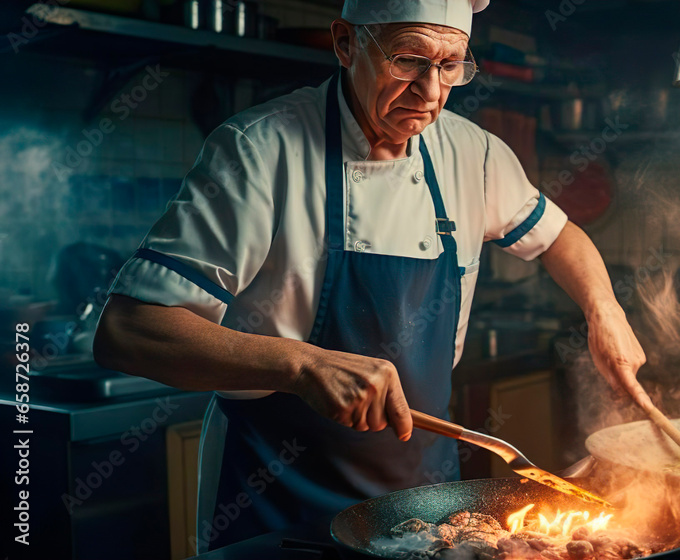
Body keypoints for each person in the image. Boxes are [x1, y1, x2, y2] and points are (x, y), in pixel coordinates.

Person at [93, 0, 649, 552]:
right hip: (275, 490)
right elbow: (128, 331)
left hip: (424, 499)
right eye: (408, 59)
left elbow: (559, 236)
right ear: (345, 42)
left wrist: (607, 311)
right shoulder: (258, 150)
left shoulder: (473, 153)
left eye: (450, 65)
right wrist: (303, 364)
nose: (430, 91)